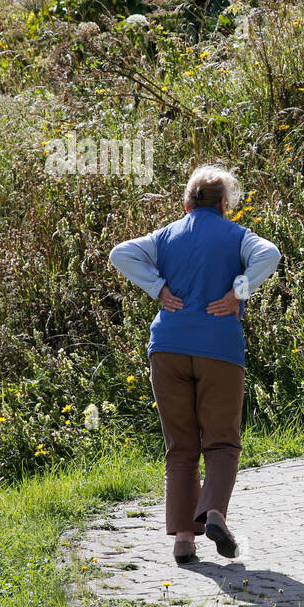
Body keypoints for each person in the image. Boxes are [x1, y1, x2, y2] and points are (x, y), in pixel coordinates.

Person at [110, 164, 281, 564]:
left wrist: (158, 288)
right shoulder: (237, 235)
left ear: (186, 203)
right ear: (225, 204)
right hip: (219, 348)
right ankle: (215, 512)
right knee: (221, 441)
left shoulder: (165, 235)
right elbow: (269, 254)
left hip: (167, 347)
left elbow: (121, 253)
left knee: (180, 446)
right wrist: (239, 292)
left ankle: (183, 540)